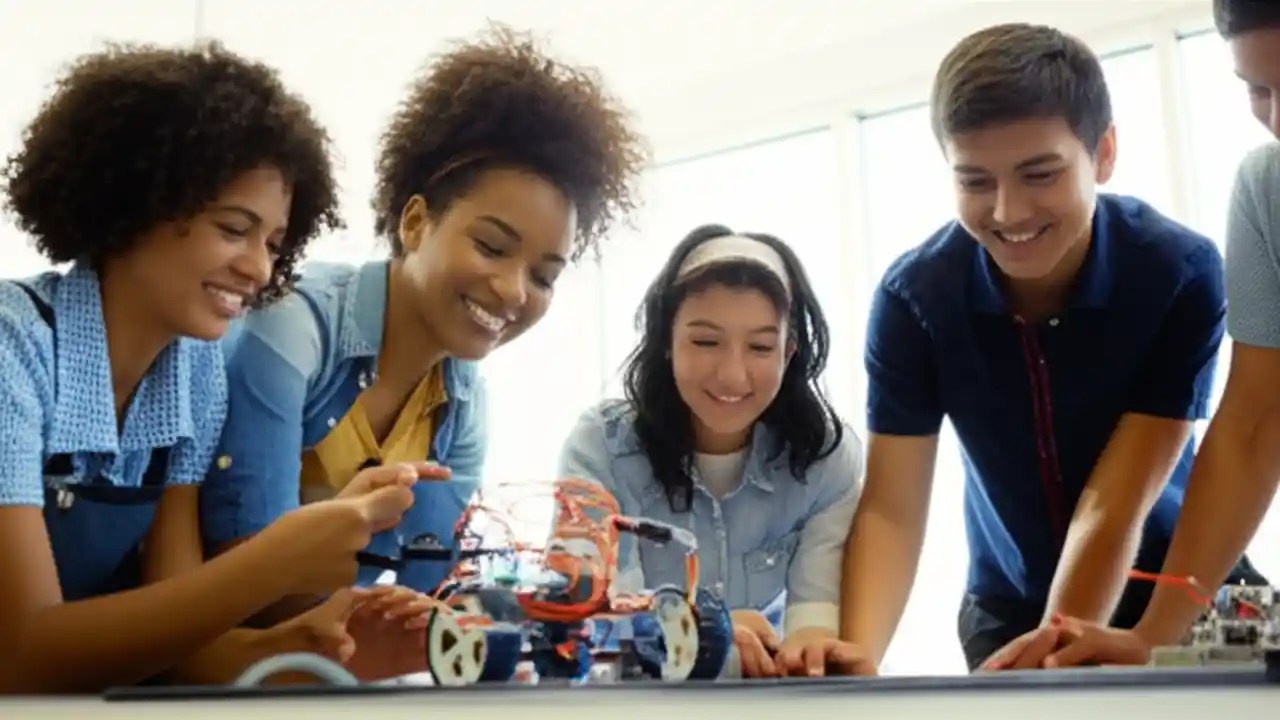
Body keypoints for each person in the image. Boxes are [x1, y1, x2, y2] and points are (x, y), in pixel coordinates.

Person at [197, 25, 647, 678]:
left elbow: (430, 586)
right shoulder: (291, 332)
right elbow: (244, 563)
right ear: (414, 223)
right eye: (492, 246)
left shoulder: (462, 404)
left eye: (545, 275)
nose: (514, 290)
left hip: (309, 674)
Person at [0, 41, 435, 694]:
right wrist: (276, 561)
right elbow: (23, 656)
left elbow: (175, 638)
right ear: (136, 203)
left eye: (273, 244)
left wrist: (312, 649)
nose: (259, 270)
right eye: (234, 229)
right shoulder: (15, 347)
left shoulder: (193, 372)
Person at [837, 21, 1265, 674]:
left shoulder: (1178, 270)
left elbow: (1118, 493)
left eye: (1040, 174)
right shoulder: (914, 299)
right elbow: (892, 508)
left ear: (1105, 153)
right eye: (975, 182)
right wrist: (857, 661)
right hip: (1008, 608)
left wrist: (1061, 649)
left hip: (1190, 586)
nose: (1008, 210)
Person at [981, 0, 1280, 670]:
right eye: (1260, 91)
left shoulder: (1176, 268)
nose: (1278, 121)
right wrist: (1154, 637)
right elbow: (1257, 422)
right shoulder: (1267, 191)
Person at [558, 224, 870, 678]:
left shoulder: (825, 462)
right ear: (666, 339)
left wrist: (810, 654)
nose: (732, 376)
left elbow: (814, 623)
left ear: (789, 353)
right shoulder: (599, 449)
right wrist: (704, 632)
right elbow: (590, 626)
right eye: (705, 342)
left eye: (761, 347)